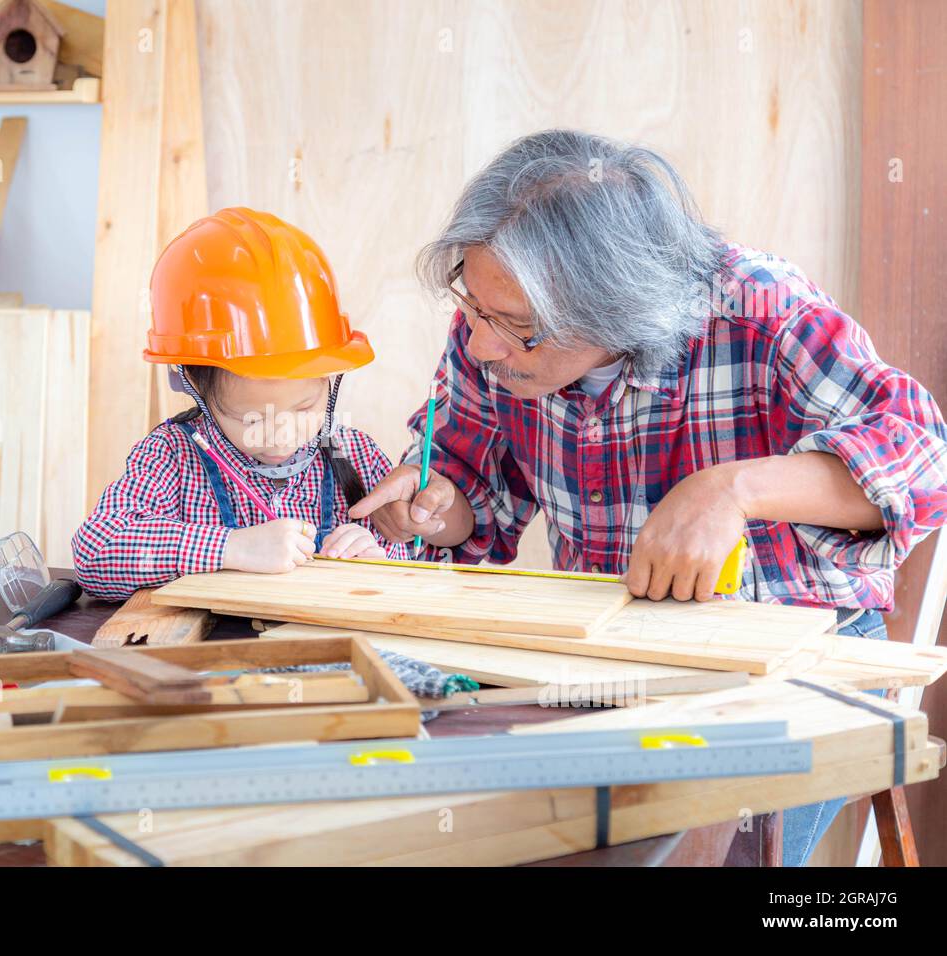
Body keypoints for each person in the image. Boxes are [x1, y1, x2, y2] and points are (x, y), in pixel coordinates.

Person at [350, 129, 947, 865]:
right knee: (487, 829)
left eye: (518, 330)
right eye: (472, 309)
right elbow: (471, 486)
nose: (481, 347)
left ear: (615, 308)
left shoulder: (757, 308)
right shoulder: (492, 326)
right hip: (598, 654)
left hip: (791, 659)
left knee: (695, 855)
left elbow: (924, 459)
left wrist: (735, 489)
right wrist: (435, 505)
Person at [74, 207, 407, 601]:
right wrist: (232, 547)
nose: (282, 438)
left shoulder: (358, 456)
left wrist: (379, 562)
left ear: (330, 379)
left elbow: (424, 575)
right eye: (252, 419)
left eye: (304, 409)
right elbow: (95, 553)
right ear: (191, 384)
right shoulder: (171, 456)